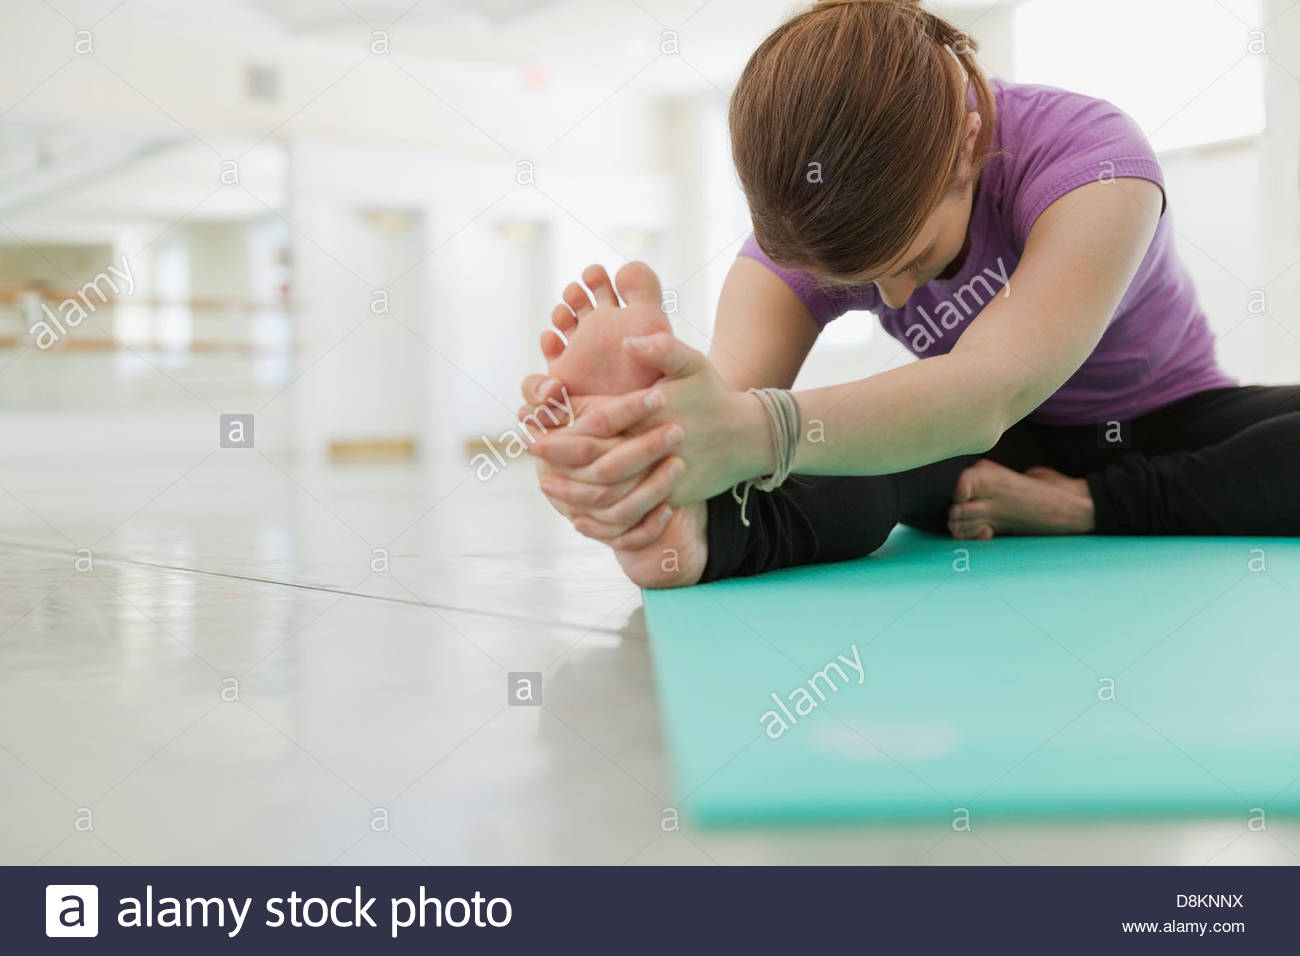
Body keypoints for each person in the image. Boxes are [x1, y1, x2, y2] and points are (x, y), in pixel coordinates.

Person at [518, 0, 1300, 588]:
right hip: (981, 450)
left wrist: (1083, 505)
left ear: (966, 145)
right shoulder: (809, 224)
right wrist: (642, 451)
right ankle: (704, 541)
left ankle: (1086, 505)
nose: (894, 296)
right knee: (878, 453)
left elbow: (990, 388)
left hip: (1163, 422)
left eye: (914, 256)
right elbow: (726, 410)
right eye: (858, 282)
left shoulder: (1091, 159)